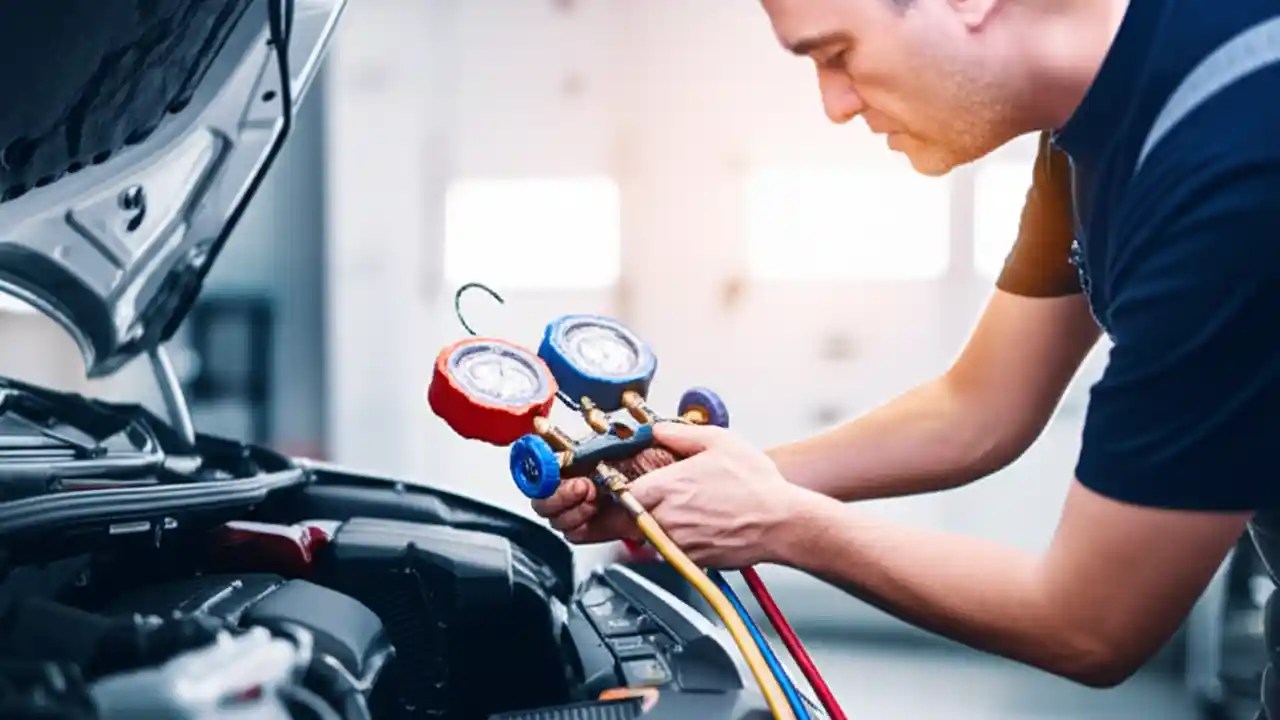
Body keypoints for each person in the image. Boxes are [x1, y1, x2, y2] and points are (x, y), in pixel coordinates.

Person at [533, 0, 1280, 692]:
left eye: (838, 53)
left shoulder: (1238, 156)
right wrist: (716, 485)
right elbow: (977, 408)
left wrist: (780, 523)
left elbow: (1093, 622)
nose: (834, 105)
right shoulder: (1091, 128)